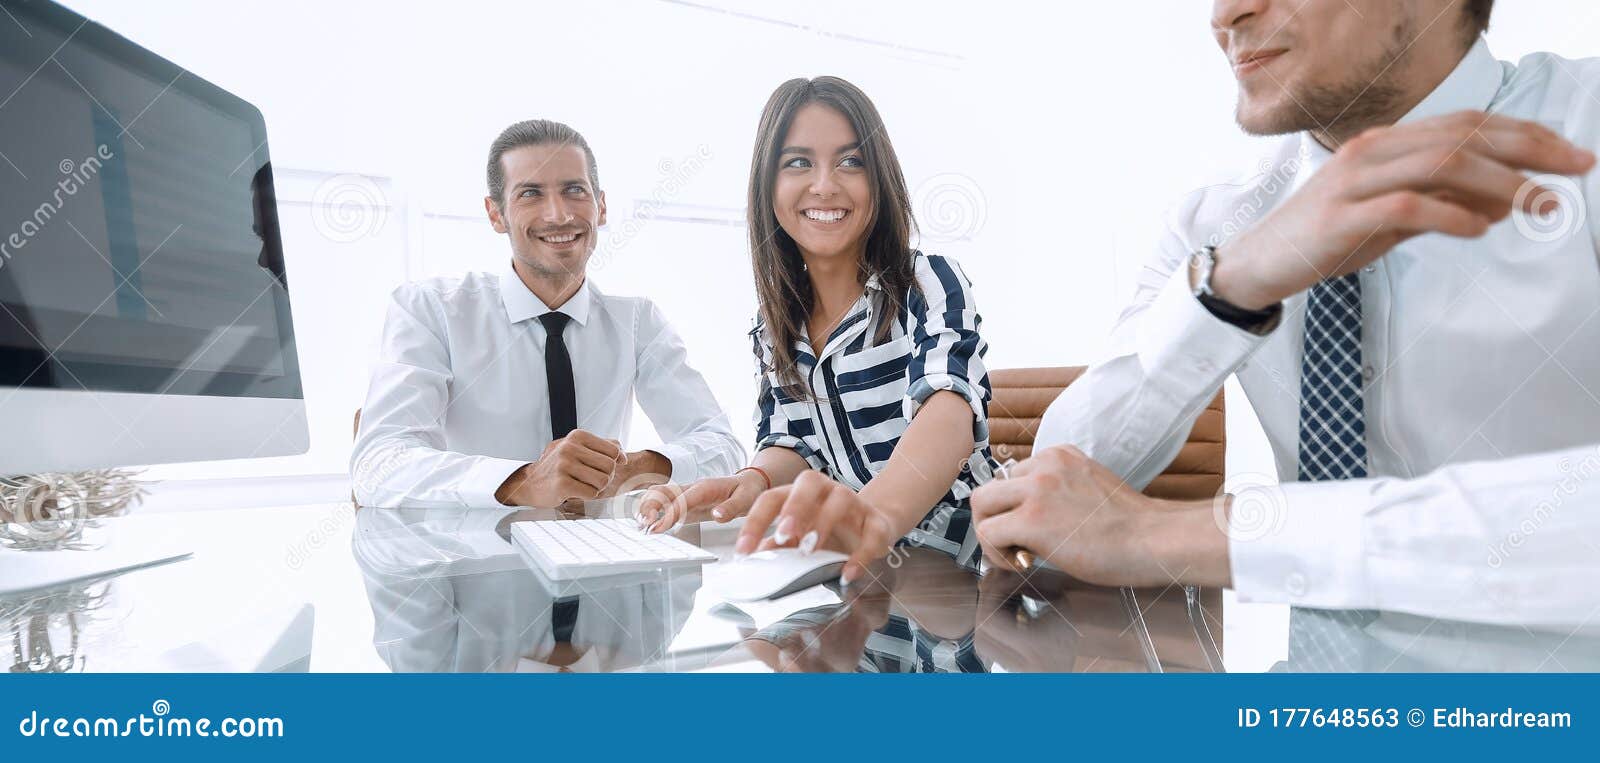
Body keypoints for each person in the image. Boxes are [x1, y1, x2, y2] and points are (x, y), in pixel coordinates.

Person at [972, 0, 1600, 633]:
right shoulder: (1215, 226)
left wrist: (1170, 537)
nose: (1225, 14)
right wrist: (1230, 289)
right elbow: (1052, 498)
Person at [637, 77, 999, 585]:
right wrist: (749, 482)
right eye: (798, 162)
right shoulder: (773, 326)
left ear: (881, 180)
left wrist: (868, 518)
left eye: (851, 162)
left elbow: (948, 410)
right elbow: (793, 444)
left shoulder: (927, 282)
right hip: (862, 582)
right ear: (769, 186)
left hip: (967, 572)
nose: (825, 184)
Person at [351, 119, 743, 510]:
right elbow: (379, 465)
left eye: (574, 191)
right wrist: (522, 482)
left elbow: (722, 446)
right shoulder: (431, 310)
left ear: (601, 206)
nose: (558, 215)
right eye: (530, 194)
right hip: (472, 561)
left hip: (597, 556)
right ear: (496, 214)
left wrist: (636, 469)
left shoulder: (637, 322)